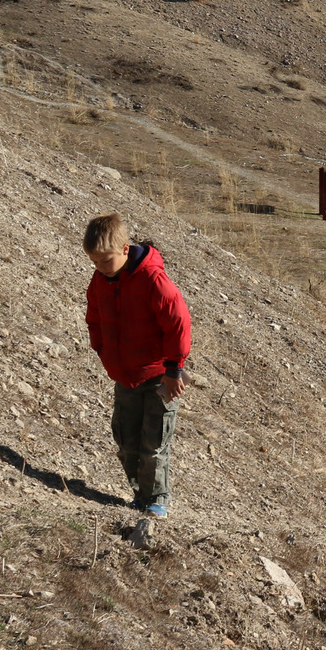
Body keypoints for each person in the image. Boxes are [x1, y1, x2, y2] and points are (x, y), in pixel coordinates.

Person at [83, 213, 191, 519]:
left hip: (159, 377)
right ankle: (140, 497)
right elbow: (94, 317)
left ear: (125, 249)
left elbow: (178, 323)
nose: (100, 268)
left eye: (105, 261)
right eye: (94, 262)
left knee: (153, 444)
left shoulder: (152, 280)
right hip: (124, 376)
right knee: (126, 442)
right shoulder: (100, 280)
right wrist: (102, 350)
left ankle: (157, 499)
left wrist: (173, 370)